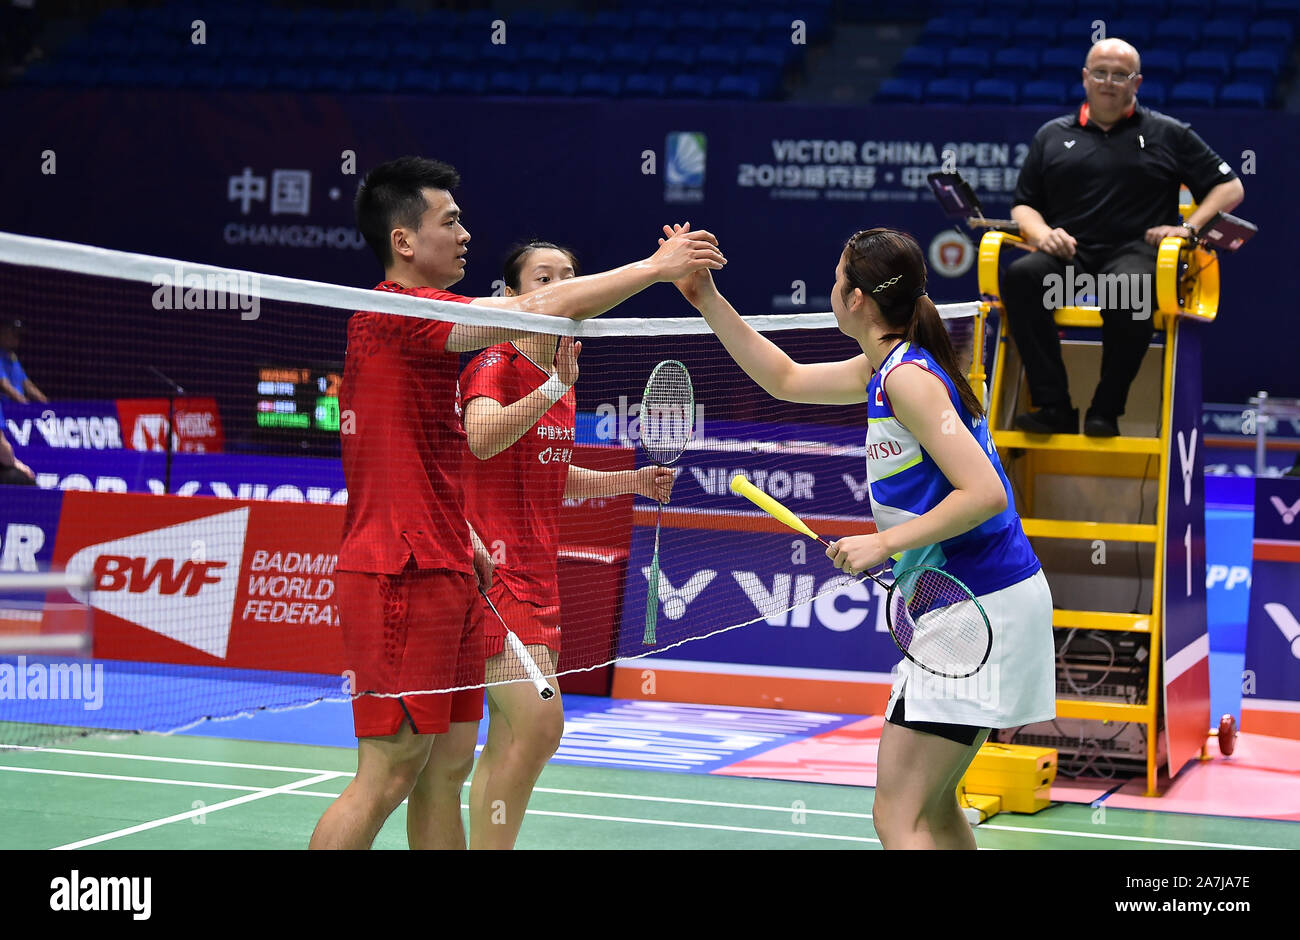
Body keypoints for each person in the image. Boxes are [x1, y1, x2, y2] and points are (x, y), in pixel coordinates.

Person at [309, 157, 724, 851]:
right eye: (450, 222)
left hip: (449, 569)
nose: (465, 233)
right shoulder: (400, 316)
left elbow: (434, 452)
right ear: (404, 240)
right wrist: (656, 267)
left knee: (441, 772)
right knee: (387, 773)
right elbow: (534, 322)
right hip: (399, 572)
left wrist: (458, 532)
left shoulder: (433, 338)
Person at [668, 226, 1055, 849]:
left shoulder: (908, 379)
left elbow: (985, 494)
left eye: (836, 277)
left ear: (856, 300)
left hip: (979, 607)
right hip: (975, 604)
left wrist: (883, 544)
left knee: (898, 816)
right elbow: (786, 380)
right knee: (933, 810)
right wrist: (707, 298)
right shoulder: (884, 368)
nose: (830, 288)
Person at [460, 241, 675, 849]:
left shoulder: (559, 375)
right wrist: (553, 387)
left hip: (539, 577)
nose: (560, 287)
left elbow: (555, 472)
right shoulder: (494, 364)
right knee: (540, 723)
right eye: (543, 277)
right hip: (493, 580)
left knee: (511, 738)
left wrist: (629, 481)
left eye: (569, 277)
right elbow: (480, 438)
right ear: (510, 296)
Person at [1006, 38, 1244, 437]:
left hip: (1137, 253)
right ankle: (1054, 407)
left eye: (1121, 75)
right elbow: (1023, 206)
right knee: (1021, 277)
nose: (1109, 82)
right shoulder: (1052, 135)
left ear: (1137, 82)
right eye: (1100, 72)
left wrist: (1187, 229)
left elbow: (1230, 188)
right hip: (1071, 261)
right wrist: (1044, 234)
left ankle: (1106, 410)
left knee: (1131, 287)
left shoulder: (1168, 133)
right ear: (1085, 78)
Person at [0, 319, 47, 404]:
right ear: (2, 333)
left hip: (18, 407)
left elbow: (27, 384)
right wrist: (25, 404)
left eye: (18, 334)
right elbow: (4, 385)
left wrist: (46, 403)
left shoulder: (13, 357)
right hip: (4, 410)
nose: (17, 337)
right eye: (13, 333)